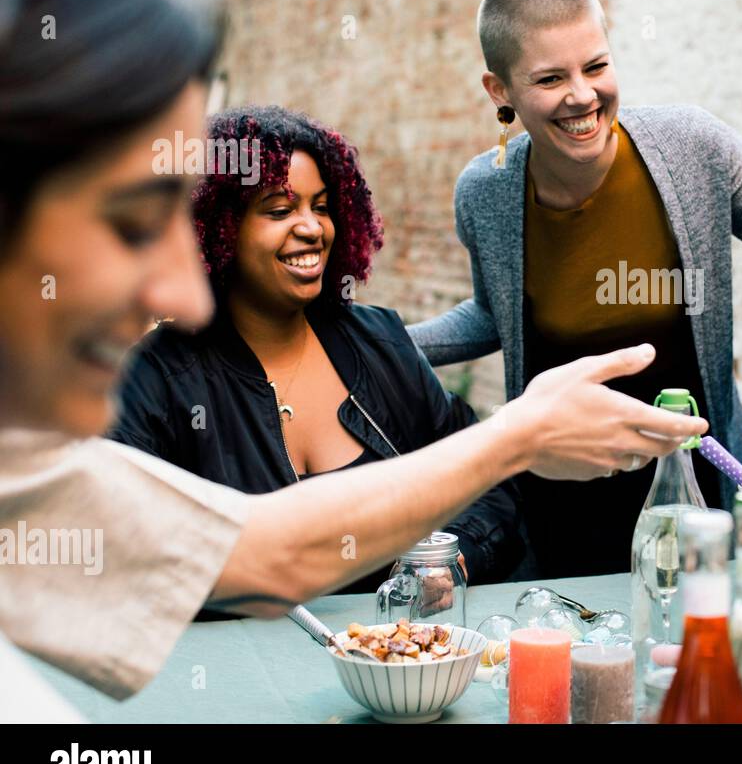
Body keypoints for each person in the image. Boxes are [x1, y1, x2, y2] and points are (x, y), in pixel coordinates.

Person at [0, 0, 706, 712]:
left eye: (323, 205)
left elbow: (251, 551)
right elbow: (261, 559)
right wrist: (520, 431)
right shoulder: (145, 388)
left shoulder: (30, 461)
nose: (180, 289)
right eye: (127, 221)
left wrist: (457, 537)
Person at [408, 0, 742, 578]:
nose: (582, 95)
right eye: (550, 78)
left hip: (691, 499)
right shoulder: (486, 192)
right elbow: (493, 315)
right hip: (559, 503)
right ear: (499, 89)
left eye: (596, 66)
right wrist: (379, 343)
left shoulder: (694, 148)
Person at [109, 105, 523, 589]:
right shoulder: (154, 380)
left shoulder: (380, 342)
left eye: (322, 207)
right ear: (217, 231)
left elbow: (484, 475)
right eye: (280, 210)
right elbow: (126, 554)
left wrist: (452, 560)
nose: (311, 228)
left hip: (393, 657)